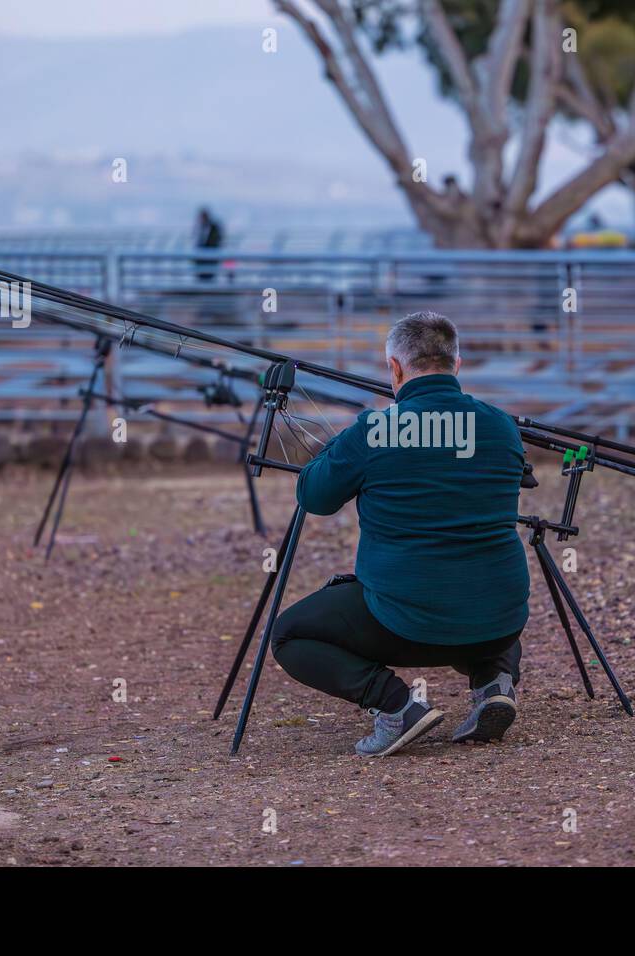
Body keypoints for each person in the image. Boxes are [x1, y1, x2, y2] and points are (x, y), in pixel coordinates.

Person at [271, 312, 530, 757]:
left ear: (394, 368)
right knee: (475, 586)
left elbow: (313, 497)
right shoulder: (501, 426)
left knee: (289, 635)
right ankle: (493, 684)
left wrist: (343, 445)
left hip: (407, 622)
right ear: (457, 364)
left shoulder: (374, 430)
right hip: (498, 622)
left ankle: (396, 707)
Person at [193, 208, 224, 284]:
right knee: (202, 277)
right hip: (201, 258)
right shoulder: (201, 227)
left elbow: (216, 240)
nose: (200, 219)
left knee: (208, 276)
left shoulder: (213, 227)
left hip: (210, 258)